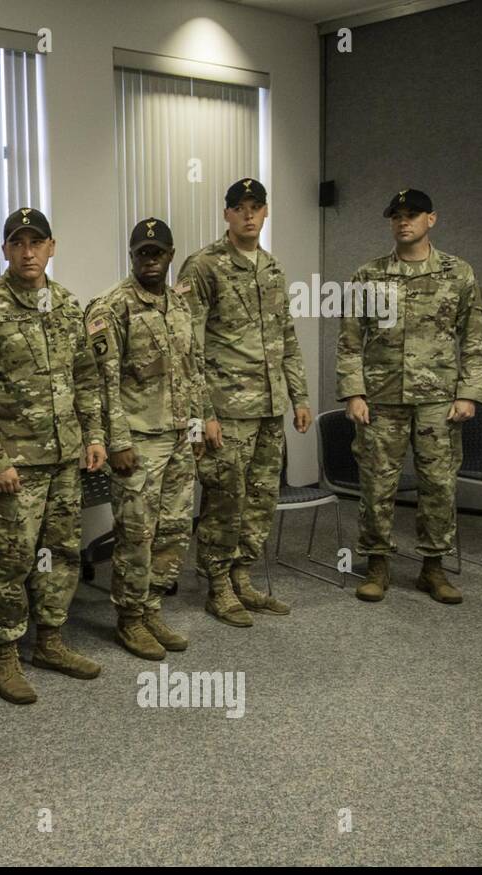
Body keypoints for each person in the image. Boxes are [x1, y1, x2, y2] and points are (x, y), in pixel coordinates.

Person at [0, 207, 106, 704]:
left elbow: (84, 377)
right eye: (17, 243)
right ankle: (4, 656)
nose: (28, 251)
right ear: (5, 250)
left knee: (61, 553)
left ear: (52, 246)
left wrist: (95, 435)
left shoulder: (66, 304)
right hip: (15, 464)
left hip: (65, 459)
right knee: (11, 561)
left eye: (36, 242)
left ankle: (51, 641)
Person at [338, 188, 482, 603]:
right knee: (376, 484)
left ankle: (433, 568)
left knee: (438, 485)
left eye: (413, 214)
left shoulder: (459, 274)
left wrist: (469, 394)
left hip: (440, 400)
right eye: (397, 215)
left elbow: (473, 340)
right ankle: (377, 564)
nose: (404, 221)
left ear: (431, 220)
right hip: (382, 399)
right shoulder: (368, 276)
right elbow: (350, 342)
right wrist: (354, 393)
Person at [177, 178, 312, 626]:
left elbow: (286, 338)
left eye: (256, 207)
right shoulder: (203, 267)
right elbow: (188, 348)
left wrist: (300, 397)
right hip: (228, 411)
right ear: (227, 214)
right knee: (225, 499)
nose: (249, 215)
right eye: (240, 208)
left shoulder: (271, 269)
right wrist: (204, 414)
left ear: (266, 212)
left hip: (271, 407)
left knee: (260, 499)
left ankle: (243, 577)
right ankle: (217, 585)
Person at [87, 218, 206, 659]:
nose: (150, 261)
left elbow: (193, 372)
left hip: (177, 438)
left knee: (173, 531)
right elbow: (103, 382)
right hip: (138, 441)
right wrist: (117, 441)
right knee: (136, 534)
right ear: (131, 256)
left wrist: (195, 426)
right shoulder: (111, 307)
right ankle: (130, 618)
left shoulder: (179, 306)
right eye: (142, 253)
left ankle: (151, 606)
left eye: (158, 253)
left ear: (171, 255)